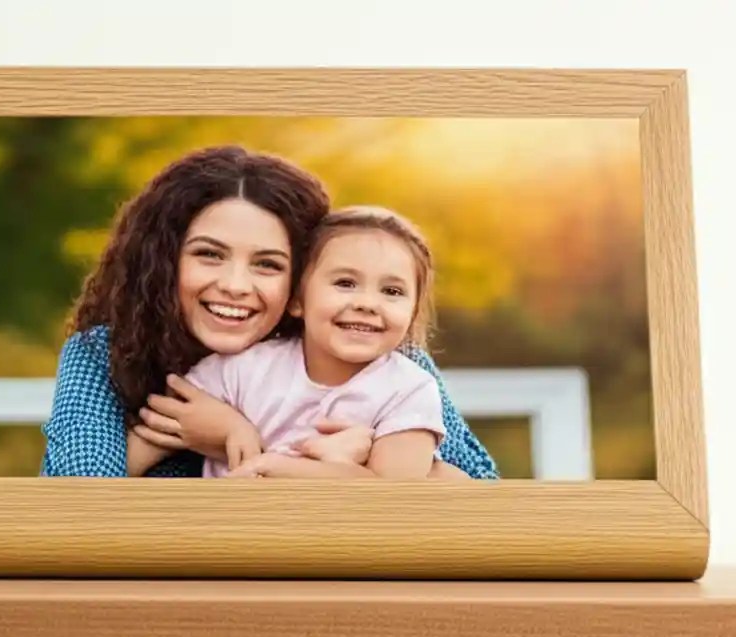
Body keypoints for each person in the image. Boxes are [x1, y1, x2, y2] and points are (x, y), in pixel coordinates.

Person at [40, 146, 499, 479]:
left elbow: (478, 492)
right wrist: (223, 431)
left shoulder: (369, 356)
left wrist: (365, 456)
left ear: (301, 282)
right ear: (164, 260)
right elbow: (77, 494)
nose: (237, 286)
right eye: (209, 255)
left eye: (267, 264)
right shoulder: (105, 353)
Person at [133, 206, 454, 479]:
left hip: (343, 550)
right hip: (227, 543)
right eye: (345, 283)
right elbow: (142, 445)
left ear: (413, 312)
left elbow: (397, 499)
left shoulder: (409, 389)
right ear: (297, 299)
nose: (367, 303)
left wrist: (277, 466)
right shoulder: (240, 369)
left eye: (392, 292)